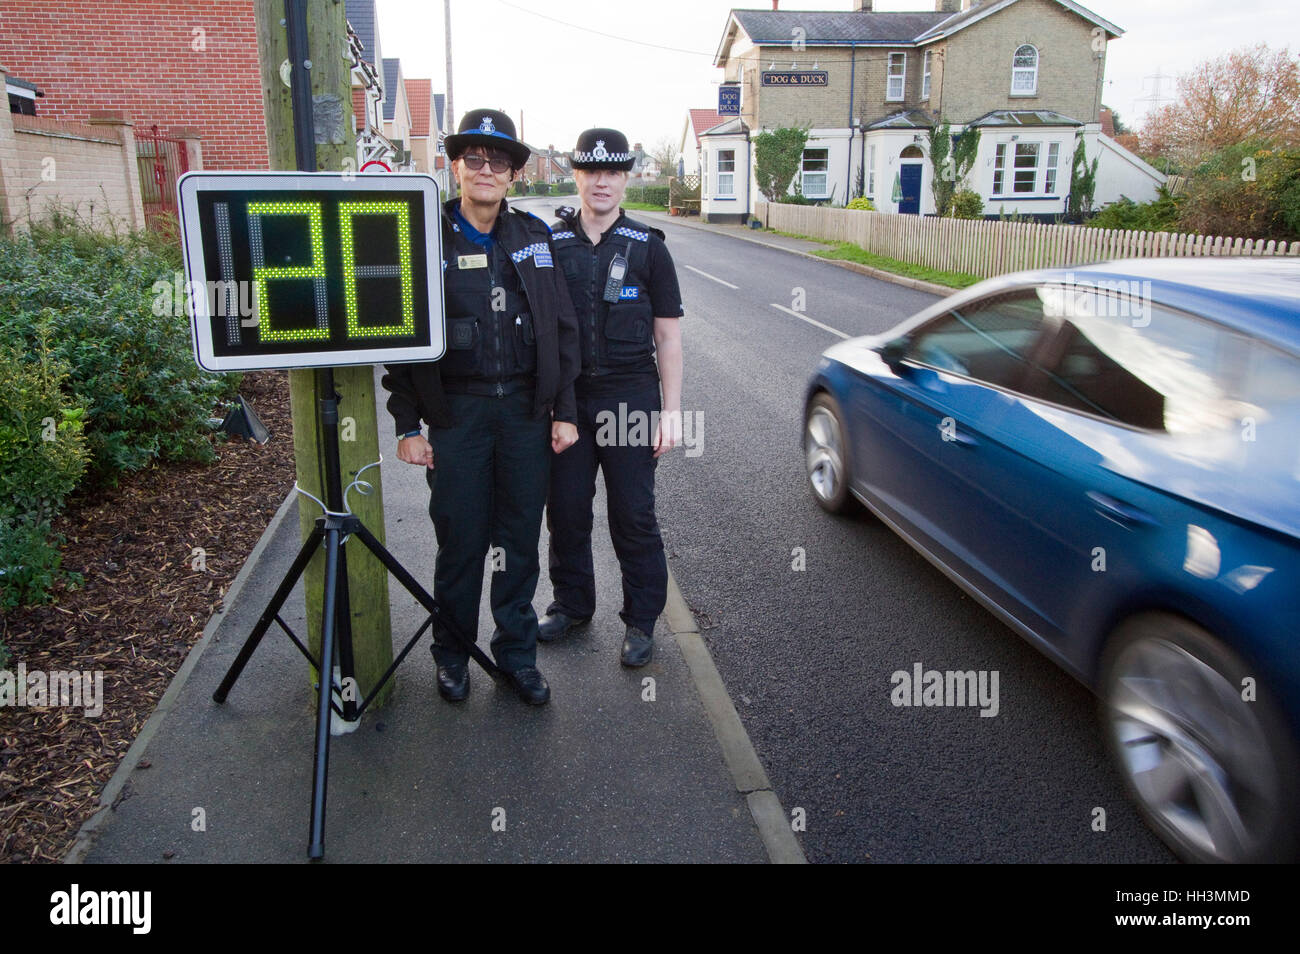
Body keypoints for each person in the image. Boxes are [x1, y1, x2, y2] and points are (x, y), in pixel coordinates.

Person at [381, 109, 580, 705]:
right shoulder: (423, 238)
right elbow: (401, 336)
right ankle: (454, 653)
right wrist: (407, 425)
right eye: (474, 158)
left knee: (518, 539)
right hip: (457, 416)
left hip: (524, 413)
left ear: (514, 175)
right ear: (455, 166)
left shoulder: (534, 239)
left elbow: (561, 331)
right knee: (462, 539)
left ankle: (516, 655)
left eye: (498, 161)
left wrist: (564, 411)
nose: (485, 170)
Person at [538, 128, 684, 667]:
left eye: (613, 172)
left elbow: (667, 337)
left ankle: (641, 621)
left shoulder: (649, 250)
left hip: (631, 401)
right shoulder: (550, 246)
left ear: (626, 178)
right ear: (576, 174)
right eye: (591, 171)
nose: (602, 181)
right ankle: (572, 605)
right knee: (568, 512)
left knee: (634, 515)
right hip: (569, 404)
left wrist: (670, 414)